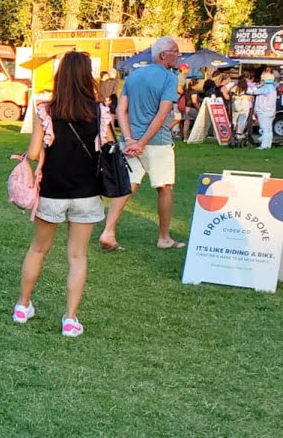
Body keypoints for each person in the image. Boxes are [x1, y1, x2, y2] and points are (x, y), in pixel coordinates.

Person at [13, 51, 114, 338]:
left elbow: (34, 152)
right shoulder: (98, 111)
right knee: (78, 256)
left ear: (60, 77)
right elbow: (106, 148)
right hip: (87, 192)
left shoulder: (45, 109)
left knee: (38, 249)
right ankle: (70, 319)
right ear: (87, 77)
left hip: (52, 192)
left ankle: (23, 306)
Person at [99, 36, 185, 252]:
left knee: (127, 186)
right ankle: (164, 237)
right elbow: (163, 113)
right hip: (157, 142)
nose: (179, 55)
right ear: (164, 55)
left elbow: (120, 109)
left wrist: (129, 139)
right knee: (165, 187)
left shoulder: (134, 75)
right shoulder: (169, 78)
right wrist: (143, 142)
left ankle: (108, 231)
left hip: (130, 141)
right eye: (176, 51)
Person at [253, 68, 277, 150]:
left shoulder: (264, 89)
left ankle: (263, 145)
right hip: (271, 111)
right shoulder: (273, 88)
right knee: (269, 129)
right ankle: (268, 144)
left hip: (263, 111)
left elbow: (254, 91)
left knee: (264, 129)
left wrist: (259, 85)